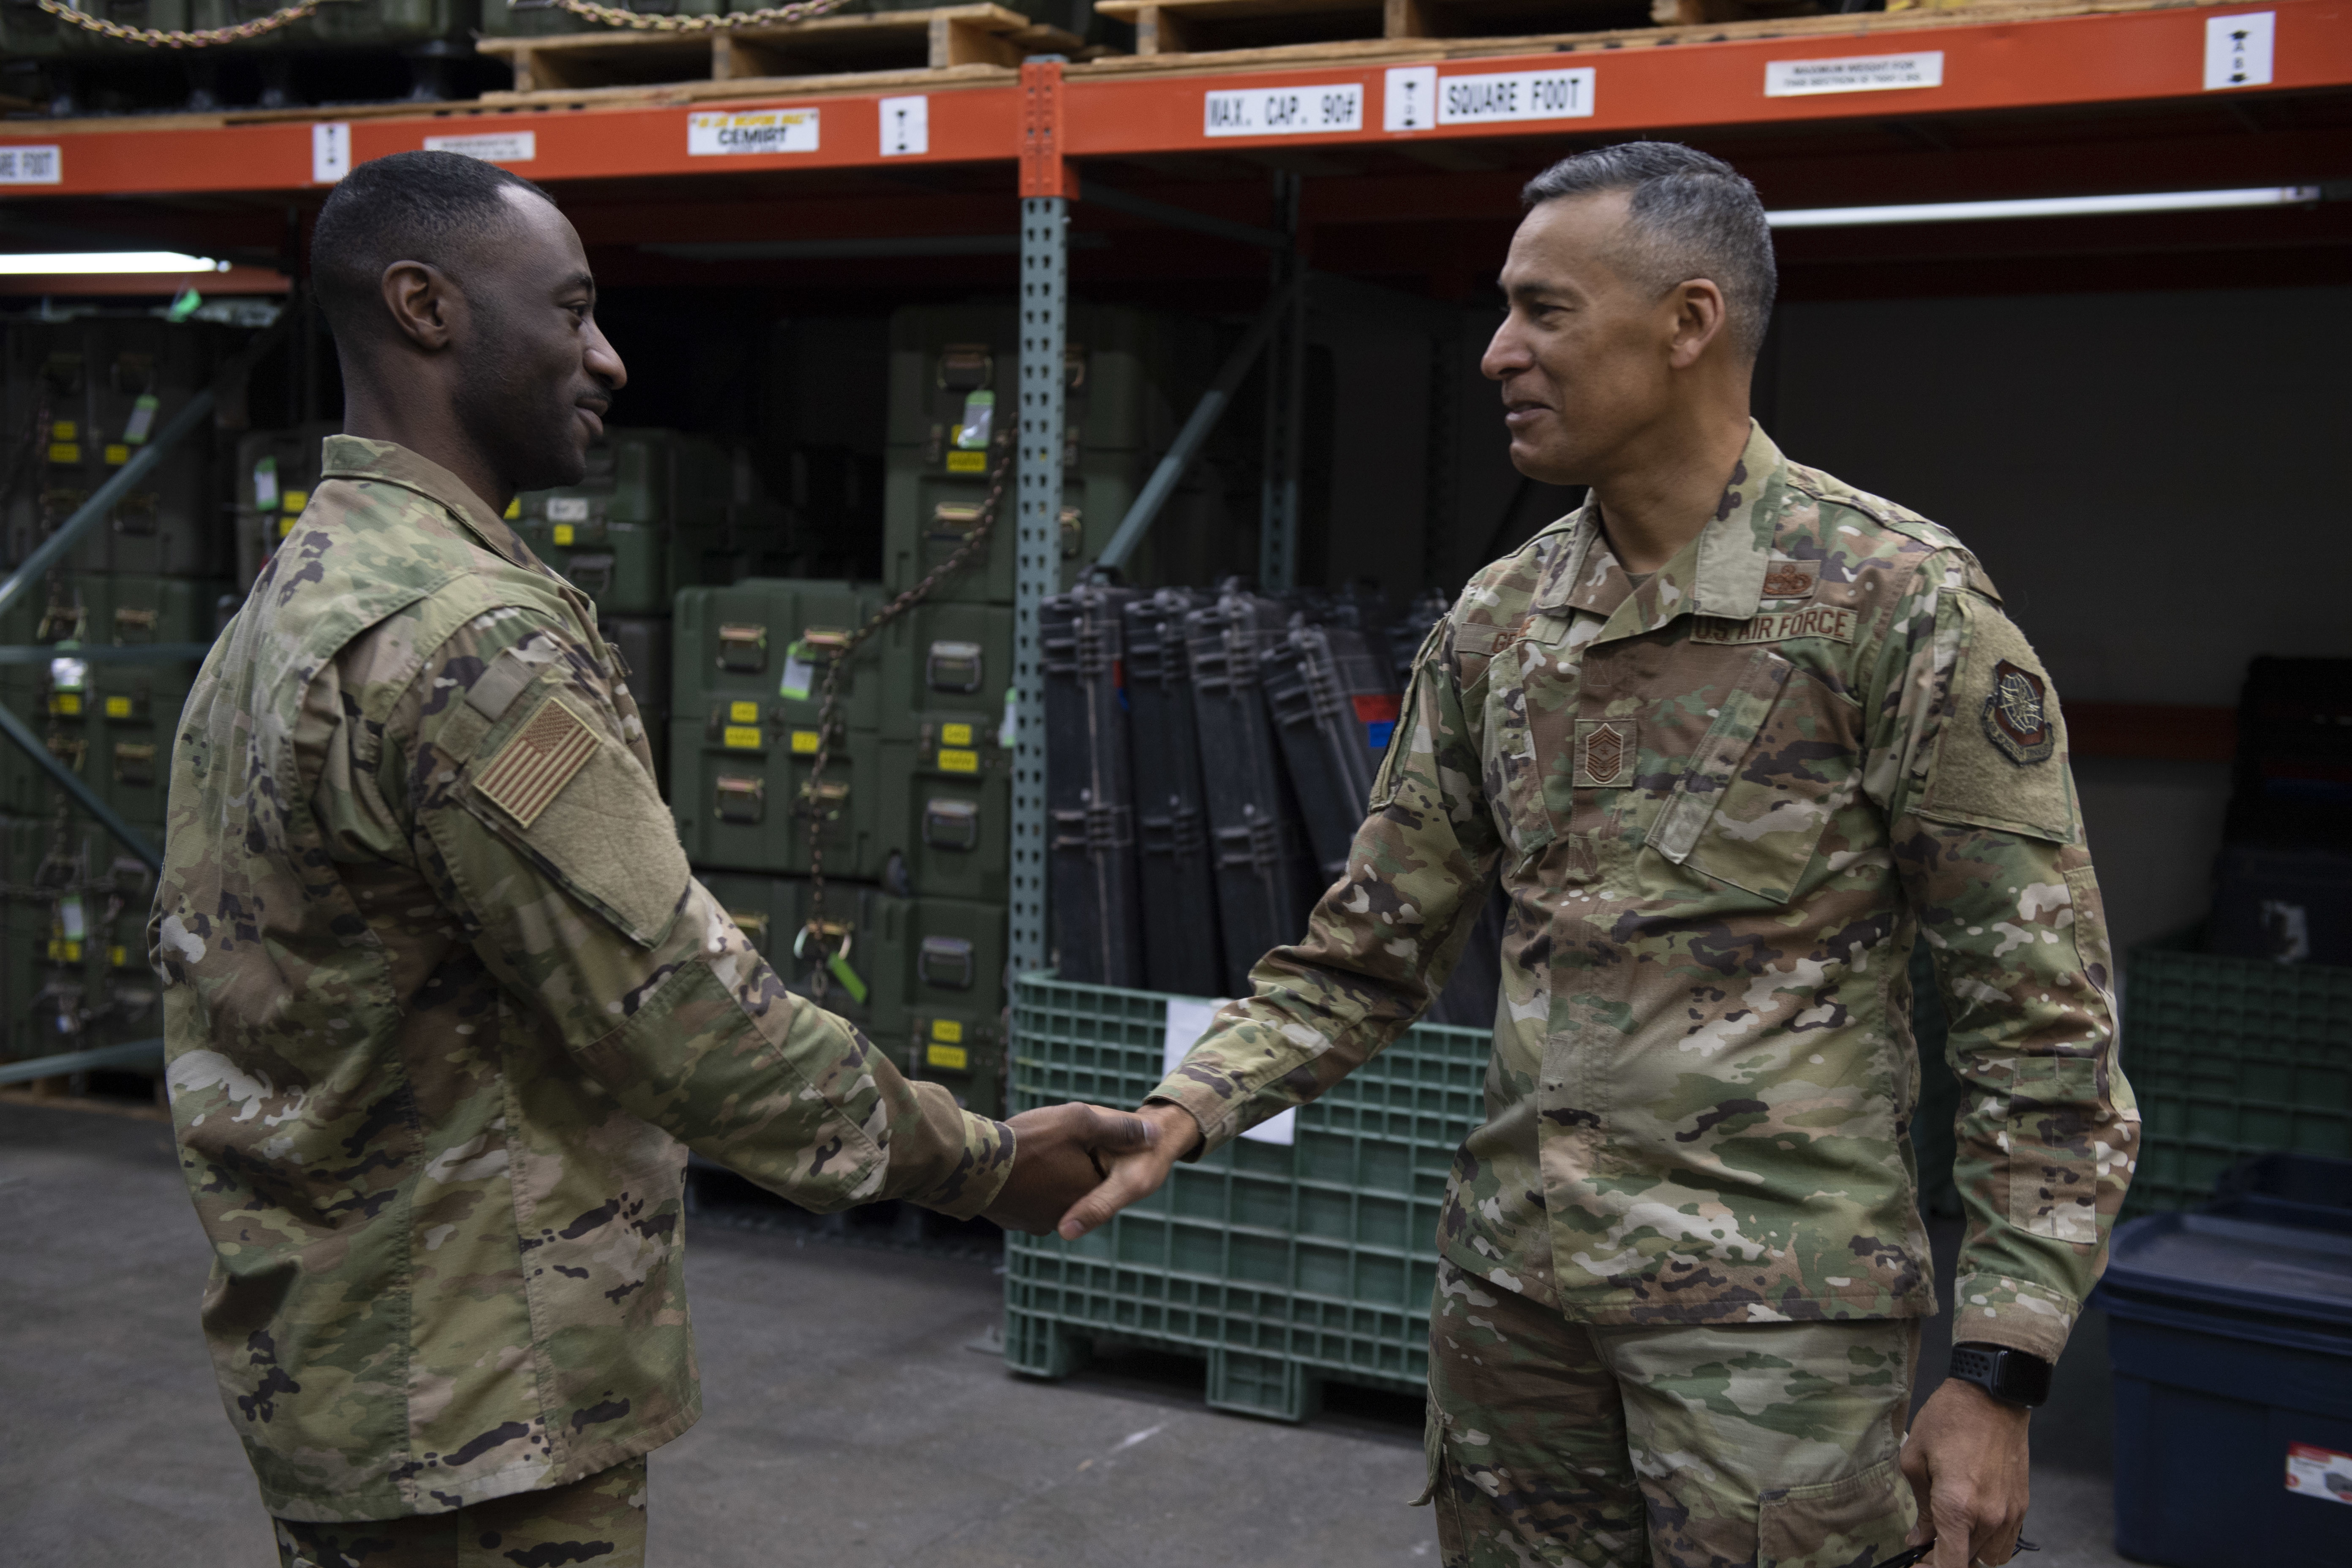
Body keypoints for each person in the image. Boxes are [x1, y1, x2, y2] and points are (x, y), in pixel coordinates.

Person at [1061, 142, 2136, 1568]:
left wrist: (2000, 1371)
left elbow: (2040, 1020)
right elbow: (1362, 955)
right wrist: (1181, 1112)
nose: (1501, 351)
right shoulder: (1503, 626)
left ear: (1690, 323)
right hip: (1519, 1325)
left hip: (1772, 1350)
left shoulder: (1895, 609)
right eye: (1506, 312)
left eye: (1545, 311)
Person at [150, 150, 1153, 1568]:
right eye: (569, 311)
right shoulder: (467, 638)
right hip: (474, 1404)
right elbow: (686, 1022)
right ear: (427, 307)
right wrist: (986, 1164)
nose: (607, 357)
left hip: (342, 1366)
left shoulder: (294, 600)